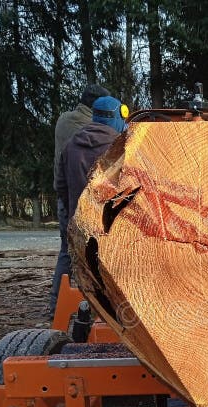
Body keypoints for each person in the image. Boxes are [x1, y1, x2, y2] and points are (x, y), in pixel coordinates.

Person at [50, 96, 128, 315]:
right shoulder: (121, 145)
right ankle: (115, 313)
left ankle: (57, 308)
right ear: (116, 116)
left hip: (80, 221)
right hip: (111, 225)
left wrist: (73, 214)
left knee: (69, 257)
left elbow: (61, 185)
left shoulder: (71, 145)